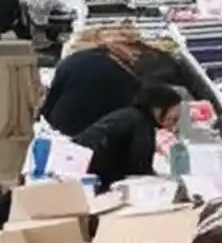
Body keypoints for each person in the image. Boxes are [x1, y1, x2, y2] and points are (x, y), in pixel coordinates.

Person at [41, 28, 207, 137]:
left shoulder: (84, 57)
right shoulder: (126, 85)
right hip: (76, 143)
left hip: (52, 132)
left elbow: (48, 105)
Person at [73, 83, 182, 191]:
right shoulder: (142, 125)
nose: (173, 126)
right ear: (157, 109)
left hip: (77, 164)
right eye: (173, 119)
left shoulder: (128, 116)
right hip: (90, 173)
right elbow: (140, 170)